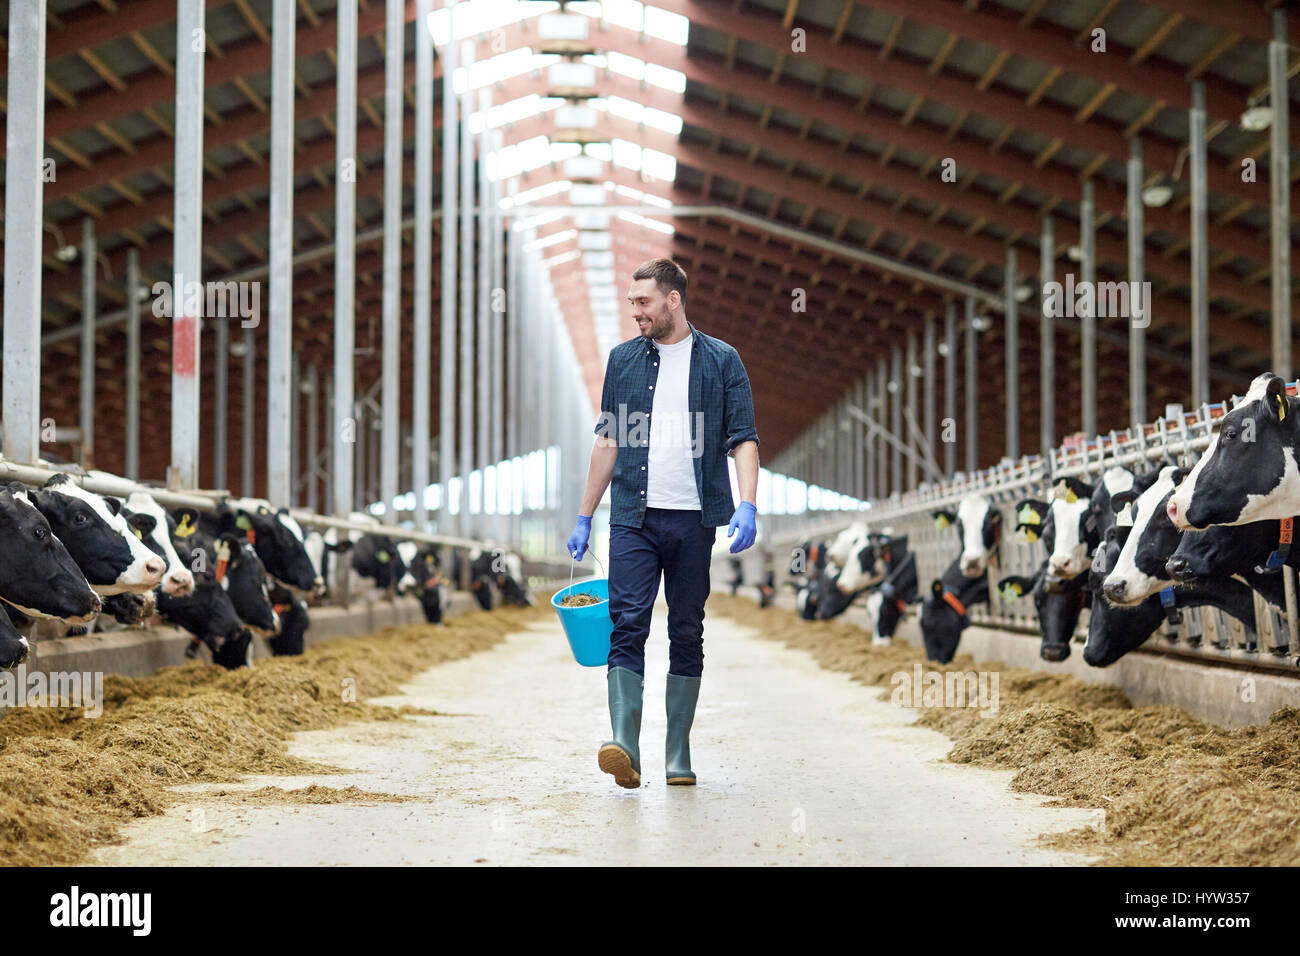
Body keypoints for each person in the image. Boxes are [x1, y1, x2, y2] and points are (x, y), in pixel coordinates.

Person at [565, 258, 759, 789]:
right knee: (627, 622)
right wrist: (585, 514)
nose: (635, 312)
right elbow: (608, 441)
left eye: (643, 302)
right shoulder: (623, 361)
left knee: (686, 630)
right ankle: (625, 743)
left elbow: (742, 437)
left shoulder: (723, 361)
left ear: (673, 300)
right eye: (632, 303)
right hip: (633, 517)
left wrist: (748, 501)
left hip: (695, 520)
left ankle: (678, 751)